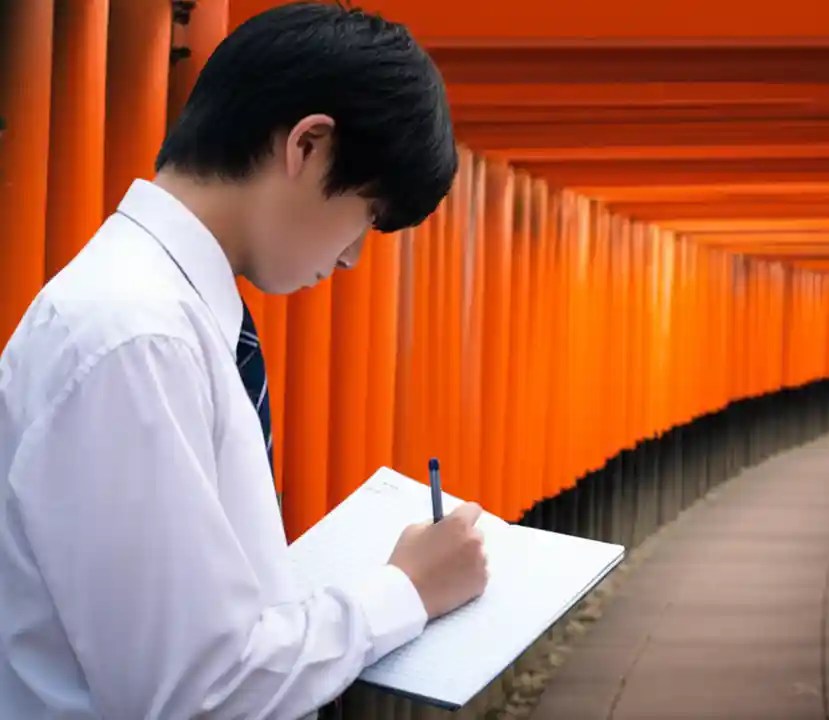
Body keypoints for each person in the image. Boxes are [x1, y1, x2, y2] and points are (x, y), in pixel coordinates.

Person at [0, 3, 488, 718]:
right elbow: (194, 689)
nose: (353, 256)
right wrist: (405, 592)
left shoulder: (156, 319)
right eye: (367, 213)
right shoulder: (137, 337)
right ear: (308, 145)